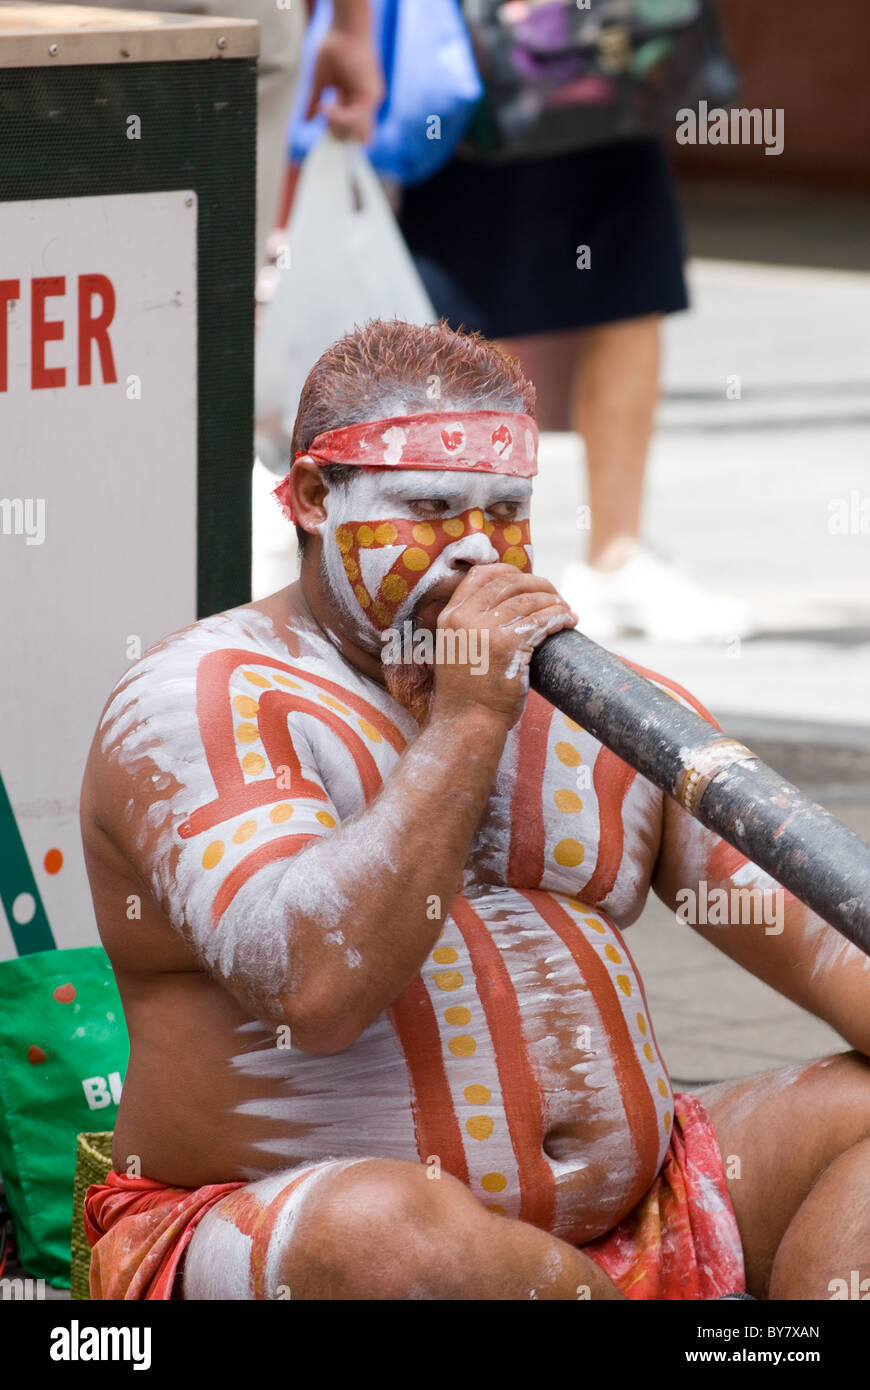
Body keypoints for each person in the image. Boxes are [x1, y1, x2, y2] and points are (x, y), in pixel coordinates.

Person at [79, 320, 869, 1300]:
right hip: (285, 1236)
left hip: (652, 1216)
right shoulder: (203, 699)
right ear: (316, 497)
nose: (474, 552)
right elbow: (316, 989)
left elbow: (837, 939)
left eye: (507, 512)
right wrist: (466, 725)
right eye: (430, 508)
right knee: (388, 1236)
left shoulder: (593, 708)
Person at [399, 128, 753, 643]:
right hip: (474, 76)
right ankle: (461, 559)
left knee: (631, 279)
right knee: (467, 280)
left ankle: (616, 556)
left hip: (602, 72)